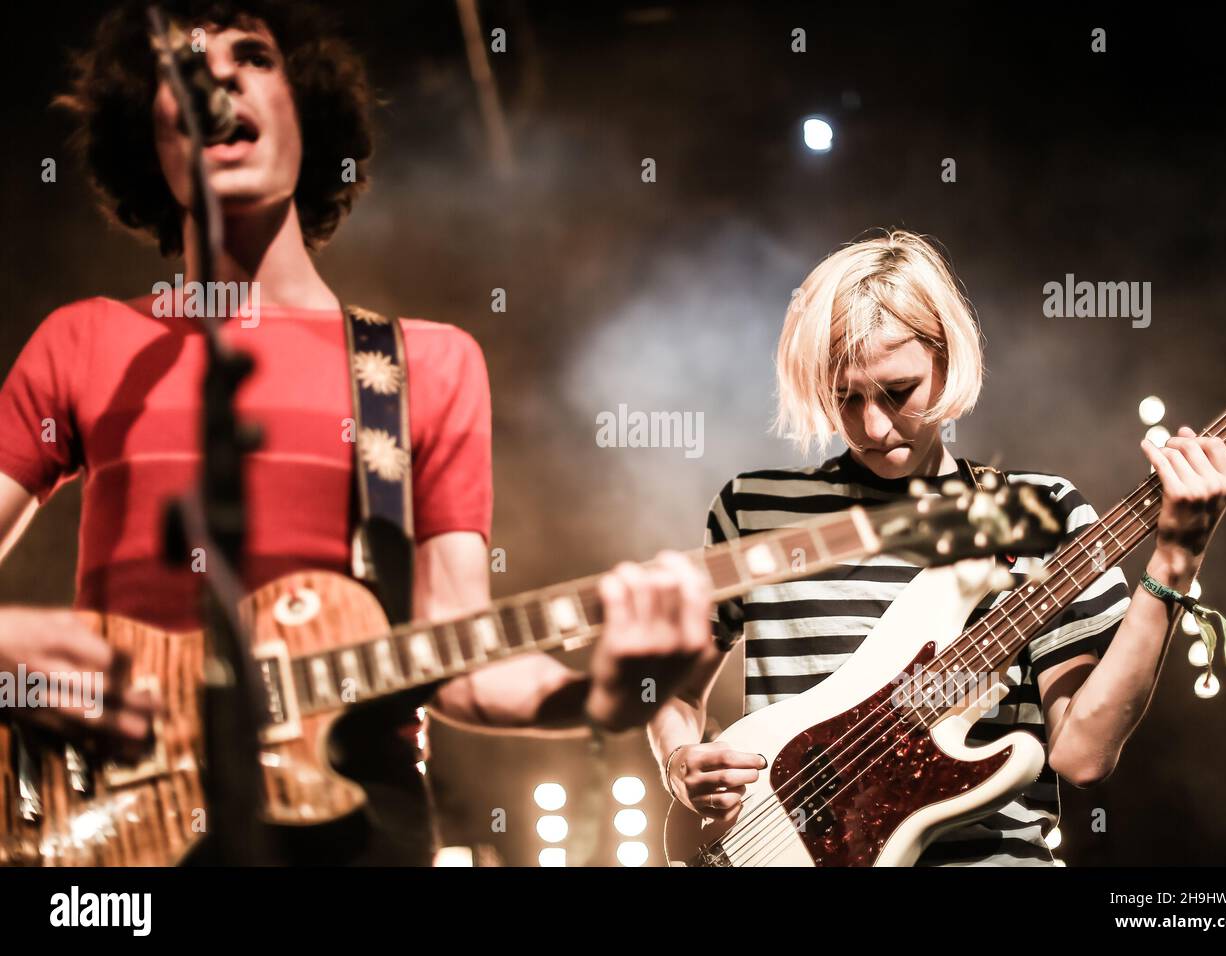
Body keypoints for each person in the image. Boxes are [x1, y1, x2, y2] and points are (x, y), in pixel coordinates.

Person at [0, 0, 711, 864]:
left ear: (309, 109)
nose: (218, 76)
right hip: (110, 829)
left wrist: (612, 694)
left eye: (254, 56)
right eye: (185, 66)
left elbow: (465, 660)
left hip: (358, 824)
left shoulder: (427, 365)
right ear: (150, 133)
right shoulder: (86, 343)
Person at [648, 230, 1226, 865]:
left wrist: (1176, 560)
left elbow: (1084, 755)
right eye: (845, 397)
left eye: (898, 391)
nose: (874, 426)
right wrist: (680, 761)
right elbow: (669, 691)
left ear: (945, 359)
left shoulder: (1037, 513)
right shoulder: (754, 510)